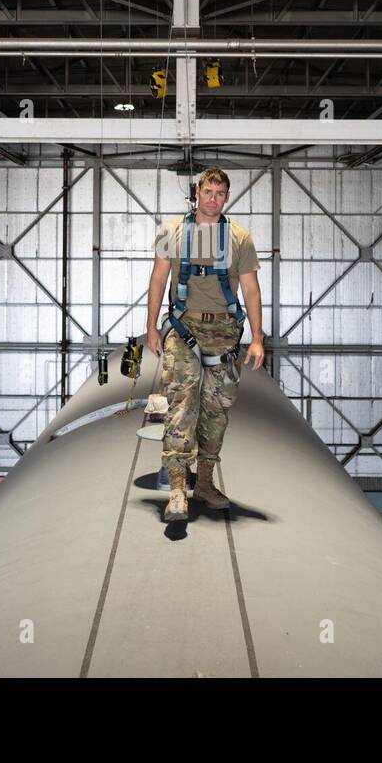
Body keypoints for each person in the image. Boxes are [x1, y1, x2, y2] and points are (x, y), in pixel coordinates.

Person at [146, 167, 265, 522]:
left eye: (221, 194)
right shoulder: (173, 232)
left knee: (217, 411)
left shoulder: (239, 238)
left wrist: (257, 338)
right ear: (197, 192)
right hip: (184, 330)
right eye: (208, 192)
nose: (213, 199)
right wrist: (151, 328)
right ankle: (178, 489)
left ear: (226, 197)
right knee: (181, 407)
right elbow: (157, 279)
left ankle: (206, 484)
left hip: (225, 333)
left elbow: (251, 289)